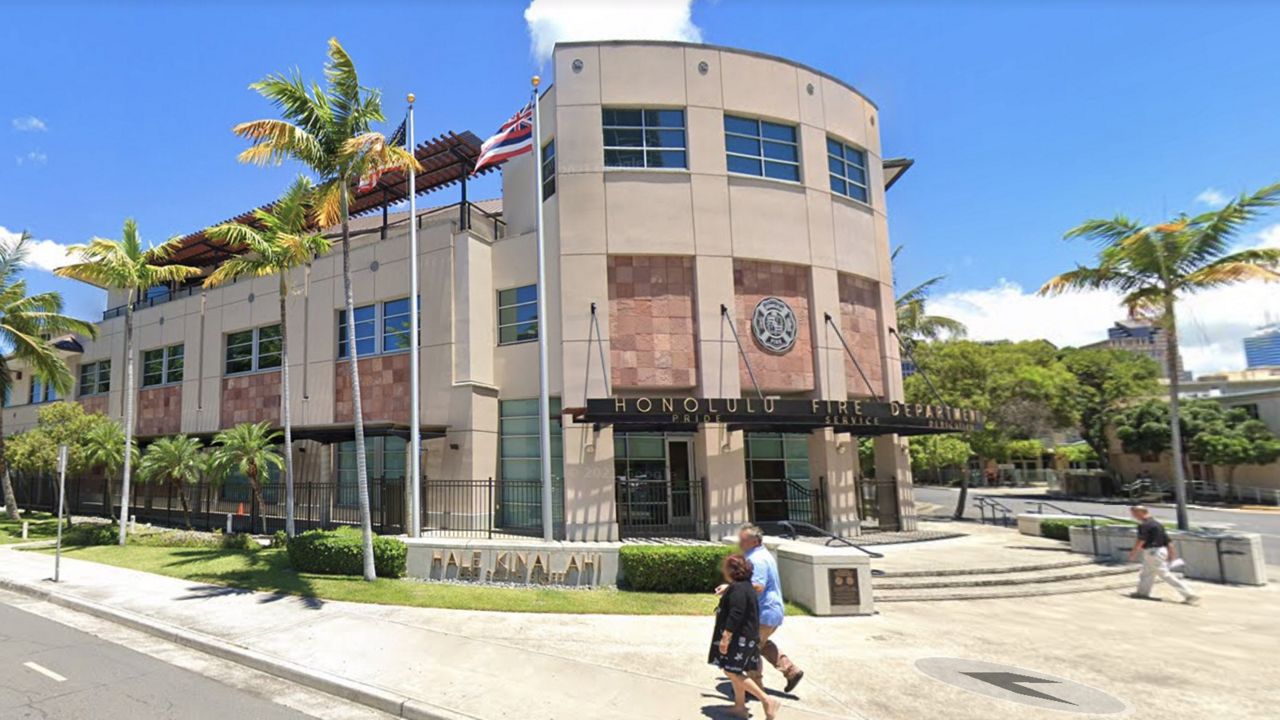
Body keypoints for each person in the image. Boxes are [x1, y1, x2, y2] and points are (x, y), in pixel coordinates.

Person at [709, 554, 780, 720]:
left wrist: (726, 637)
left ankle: (766, 700)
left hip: (738, 639)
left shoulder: (739, 589)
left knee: (731, 671)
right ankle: (740, 707)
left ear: (732, 571)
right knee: (735, 670)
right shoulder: (744, 587)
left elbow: (736, 614)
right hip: (746, 638)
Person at [737, 523, 804, 693]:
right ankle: (791, 671)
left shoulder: (756, 559)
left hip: (764, 612)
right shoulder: (760, 554)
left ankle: (754, 689)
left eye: (743, 539)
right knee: (761, 644)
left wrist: (732, 590)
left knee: (750, 649)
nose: (740, 542)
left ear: (754, 541)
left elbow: (757, 586)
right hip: (769, 611)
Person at [1126, 505, 1200, 605]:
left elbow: (1141, 540)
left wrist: (1133, 552)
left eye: (1134, 514)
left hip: (1152, 551)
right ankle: (1142, 592)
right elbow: (1168, 540)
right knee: (1147, 573)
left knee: (1164, 574)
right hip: (1160, 550)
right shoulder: (1157, 524)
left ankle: (1189, 594)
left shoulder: (1144, 525)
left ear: (1141, 512)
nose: (1134, 516)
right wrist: (1171, 553)